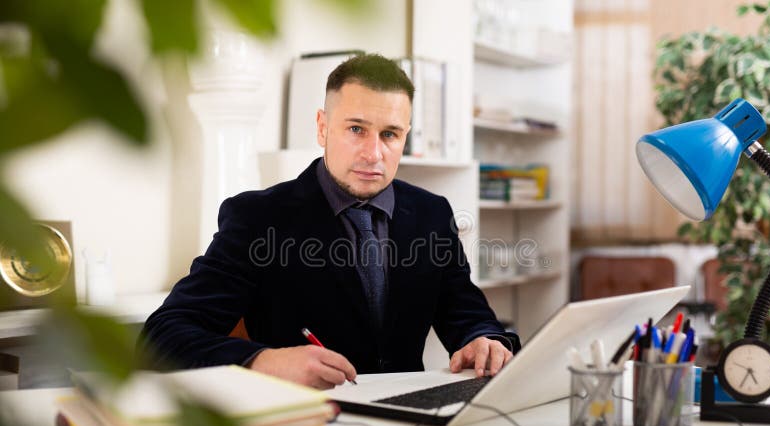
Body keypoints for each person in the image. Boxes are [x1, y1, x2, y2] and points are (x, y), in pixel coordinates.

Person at [139, 54, 520, 389]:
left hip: (411, 422)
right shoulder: (258, 217)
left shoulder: (432, 214)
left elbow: (468, 315)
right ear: (322, 127)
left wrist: (485, 339)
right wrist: (262, 361)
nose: (373, 153)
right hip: (305, 420)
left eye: (390, 134)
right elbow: (163, 335)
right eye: (356, 129)